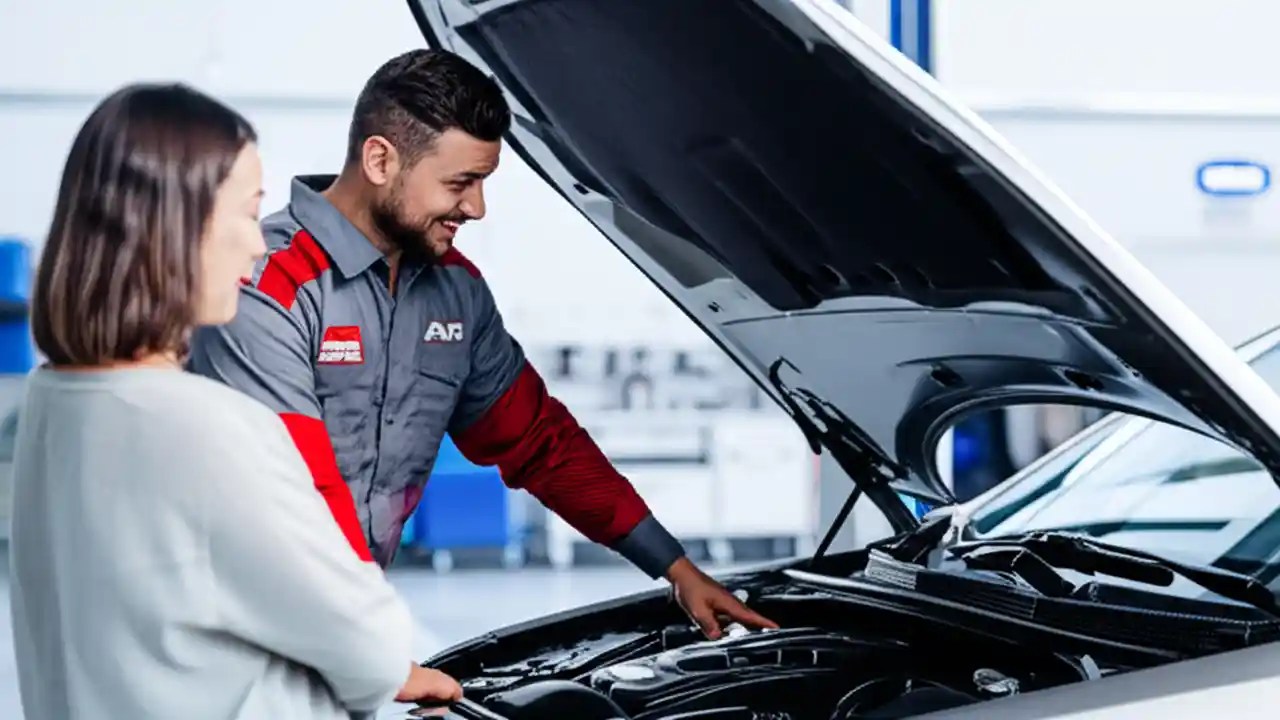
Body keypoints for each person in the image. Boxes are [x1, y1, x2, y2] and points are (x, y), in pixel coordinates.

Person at [186, 48, 778, 641]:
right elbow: (291, 484)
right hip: (222, 633)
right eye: (460, 183)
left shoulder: (456, 293)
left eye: (483, 182)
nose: (476, 207)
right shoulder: (267, 280)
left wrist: (674, 568)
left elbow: (542, 442)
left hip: (337, 633)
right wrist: (373, 649)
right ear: (380, 159)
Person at [9, 82, 462, 720]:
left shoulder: (53, 403)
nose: (258, 243)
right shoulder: (210, 427)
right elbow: (370, 640)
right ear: (173, 229)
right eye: (249, 213)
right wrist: (391, 666)